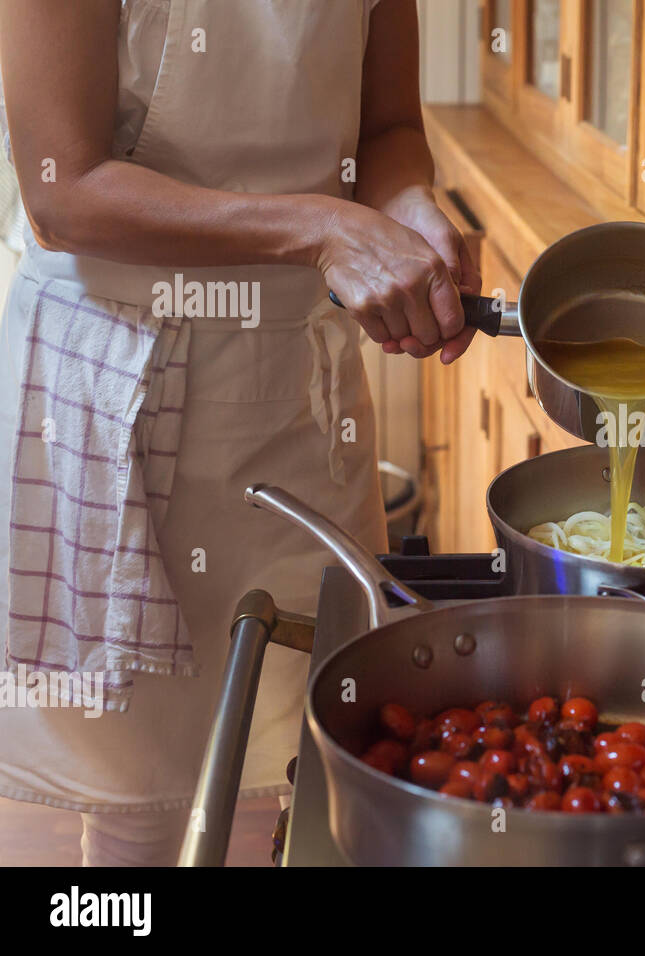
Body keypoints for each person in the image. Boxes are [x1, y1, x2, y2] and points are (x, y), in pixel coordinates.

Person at [0, 0, 480, 865]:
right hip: (124, 384)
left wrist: (407, 202)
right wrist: (323, 228)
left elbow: (390, 125)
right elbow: (61, 190)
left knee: (318, 738)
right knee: (141, 796)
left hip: (298, 386)